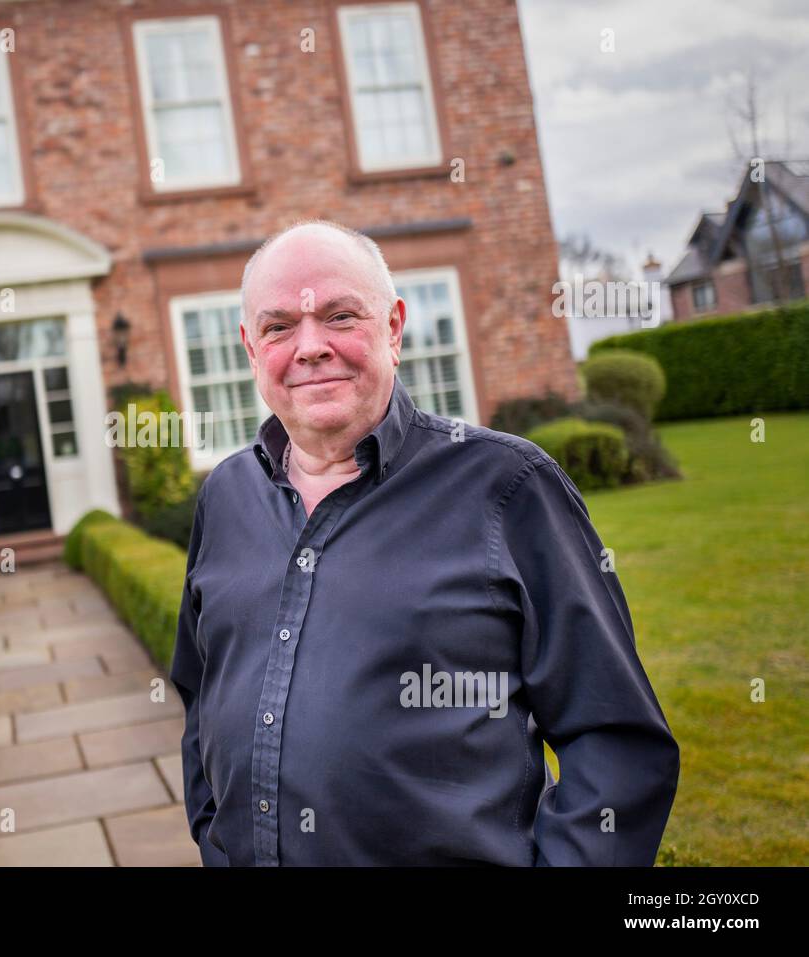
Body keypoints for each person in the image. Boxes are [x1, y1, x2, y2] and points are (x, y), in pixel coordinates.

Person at [169, 218, 680, 866]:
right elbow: (201, 694)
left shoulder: (508, 486)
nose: (310, 346)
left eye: (340, 316)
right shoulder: (225, 495)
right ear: (250, 347)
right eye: (278, 327)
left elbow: (615, 740)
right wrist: (214, 834)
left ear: (393, 327)